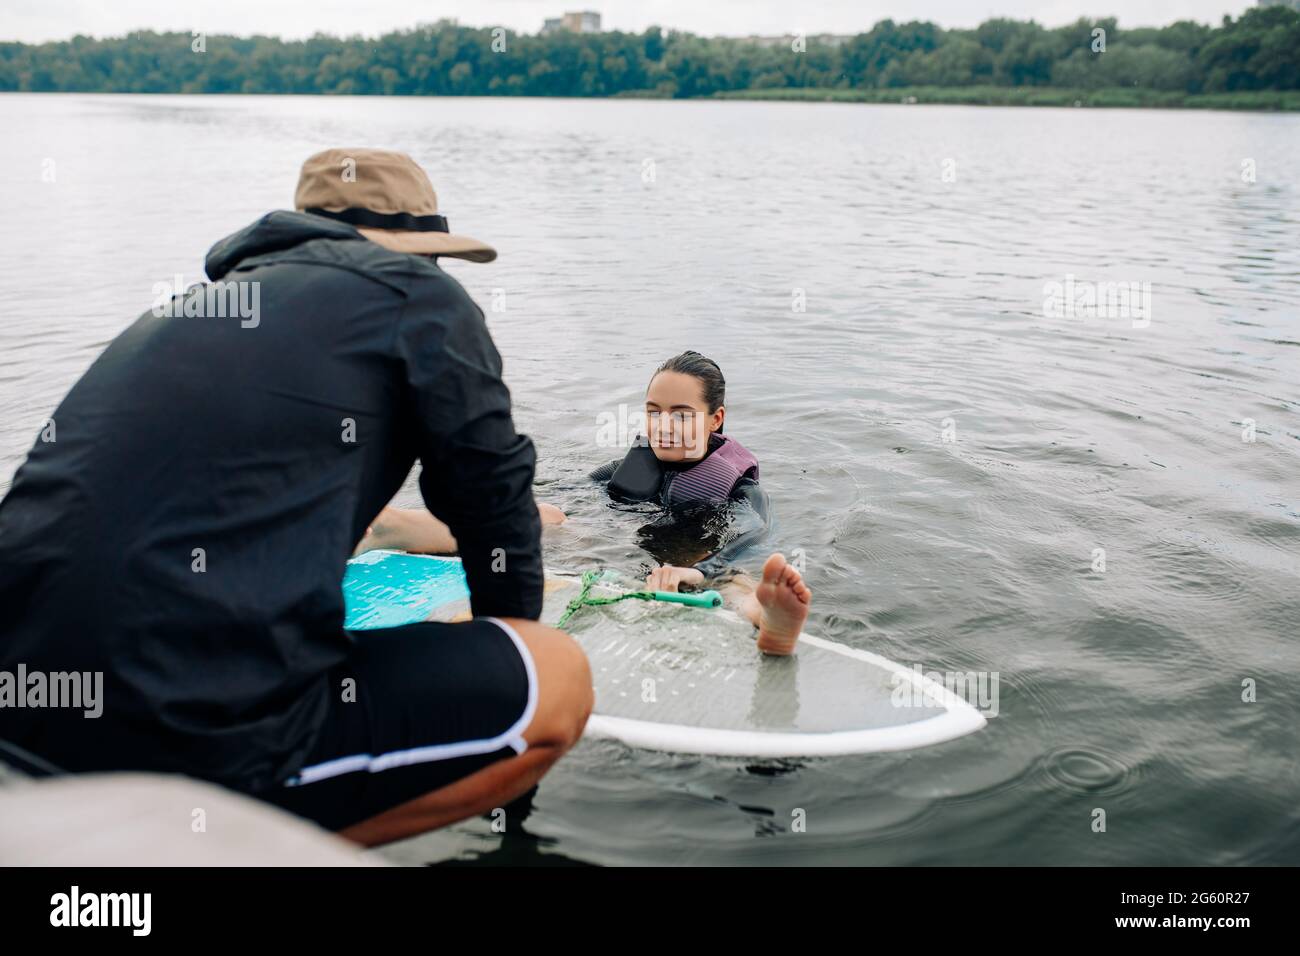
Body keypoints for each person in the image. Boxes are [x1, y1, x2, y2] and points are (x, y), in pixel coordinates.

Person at [0, 148, 592, 847]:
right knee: (558, 675)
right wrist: (508, 643)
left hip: (22, 696)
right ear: (414, 250)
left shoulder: (190, 308)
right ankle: (241, 848)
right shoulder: (418, 295)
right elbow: (497, 514)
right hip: (184, 731)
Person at [367, 351, 812, 656]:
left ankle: (765, 615)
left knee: (737, 574)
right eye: (654, 411)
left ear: (715, 419)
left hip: (697, 553)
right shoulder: (631, 467)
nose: (664, 425)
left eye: (680, 413)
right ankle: (395, 527)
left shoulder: (737, 486)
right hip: (620, 548)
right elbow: (573, 494)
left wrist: (699, 570)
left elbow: (752, 533)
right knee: (548, 515)